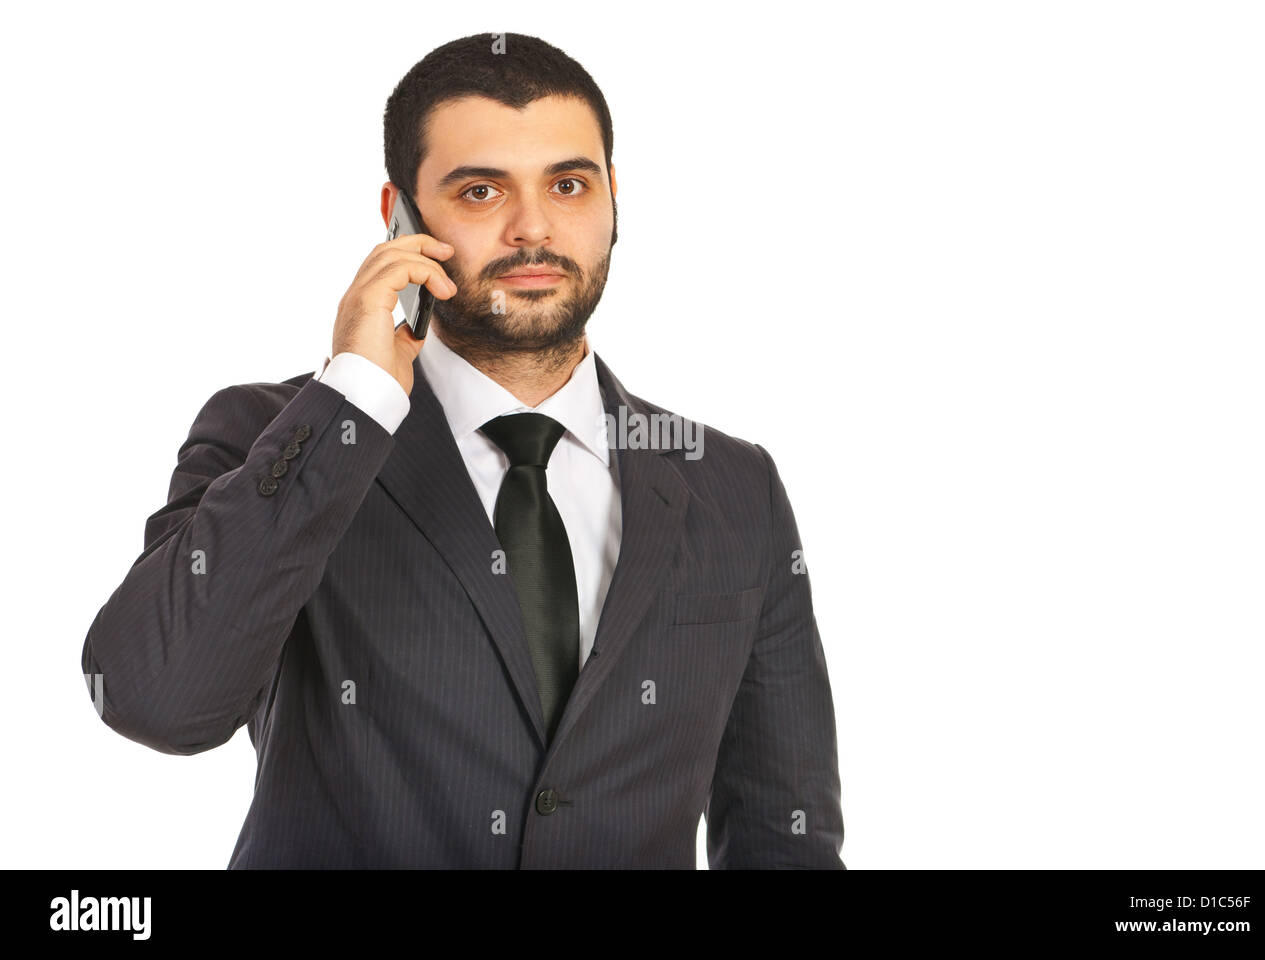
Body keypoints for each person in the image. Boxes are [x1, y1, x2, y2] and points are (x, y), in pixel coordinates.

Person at [81, 32, 844, 869]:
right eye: (481, 191)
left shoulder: (732, 485)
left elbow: (785, 839)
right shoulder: (274, 435)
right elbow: (156, 700)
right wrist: (355, 394)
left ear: (614, 198)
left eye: (568, 184)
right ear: (399, 218)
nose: (533, 229)